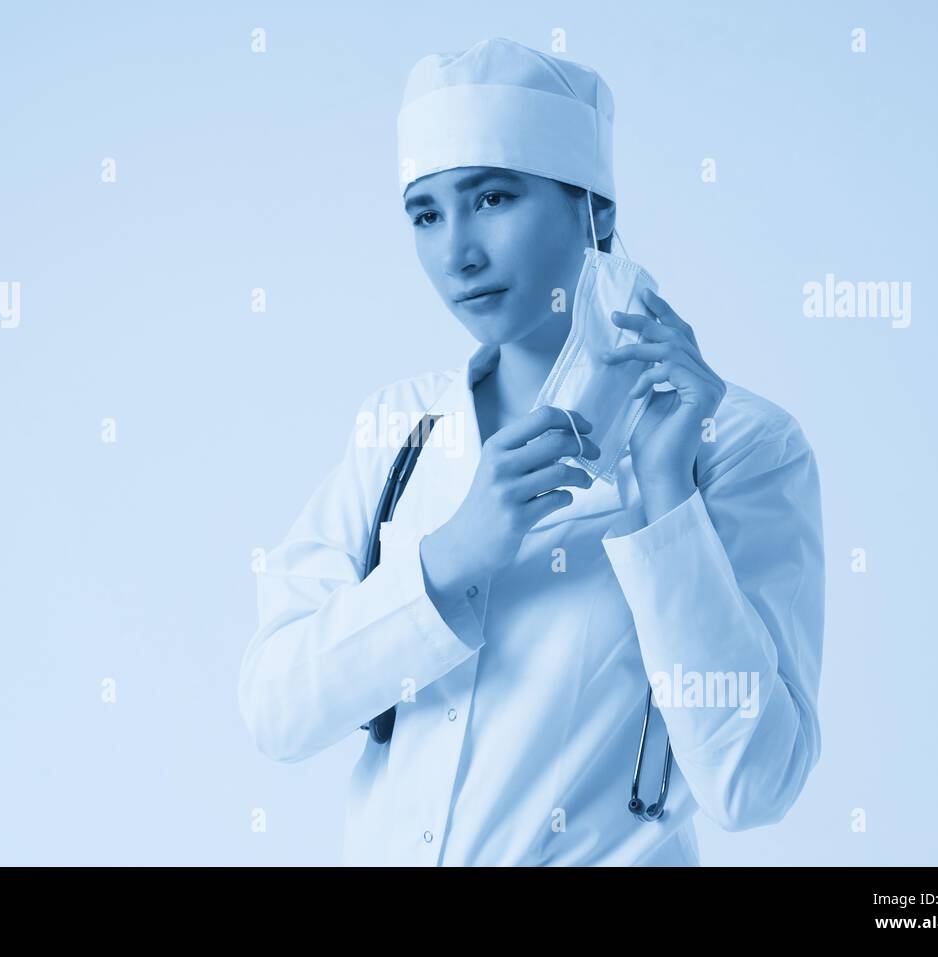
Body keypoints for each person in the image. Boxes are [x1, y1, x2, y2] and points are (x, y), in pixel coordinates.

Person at [238, 37, 825, 866]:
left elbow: (754, 784)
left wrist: (667, 498)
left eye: (493, 198)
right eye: (427, 213)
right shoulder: (399, 430)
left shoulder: (739, 445)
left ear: (597, 211)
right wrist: (447, 561)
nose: (457, 252)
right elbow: (276, 709)